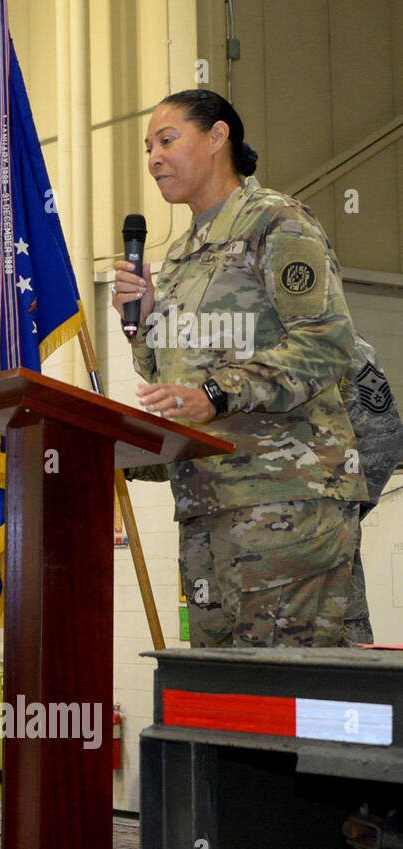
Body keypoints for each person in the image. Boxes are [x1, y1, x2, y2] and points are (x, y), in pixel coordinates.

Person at [111, 89, 368, 648]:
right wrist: (144, 324)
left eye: (167, 139)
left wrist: (216, 392)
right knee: (219, 697)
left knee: (280, 692)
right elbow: (171, 378)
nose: (153, 157)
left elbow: (327, 343)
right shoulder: (179, 255)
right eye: (147, 147)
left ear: (218, 137)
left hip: (285, 499)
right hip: (206, 503)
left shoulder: (276, 222)